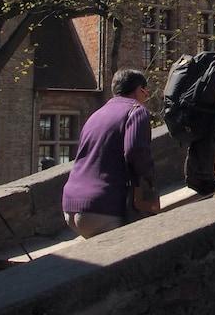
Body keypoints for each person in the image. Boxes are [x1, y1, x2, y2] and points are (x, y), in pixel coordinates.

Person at [62, 68, 157, 239]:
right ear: (140, 90)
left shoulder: (96, 115)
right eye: (146, 92)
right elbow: (136, 151)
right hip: (103, 206)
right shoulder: (136, 111)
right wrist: (148, 183)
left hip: (70, 205)